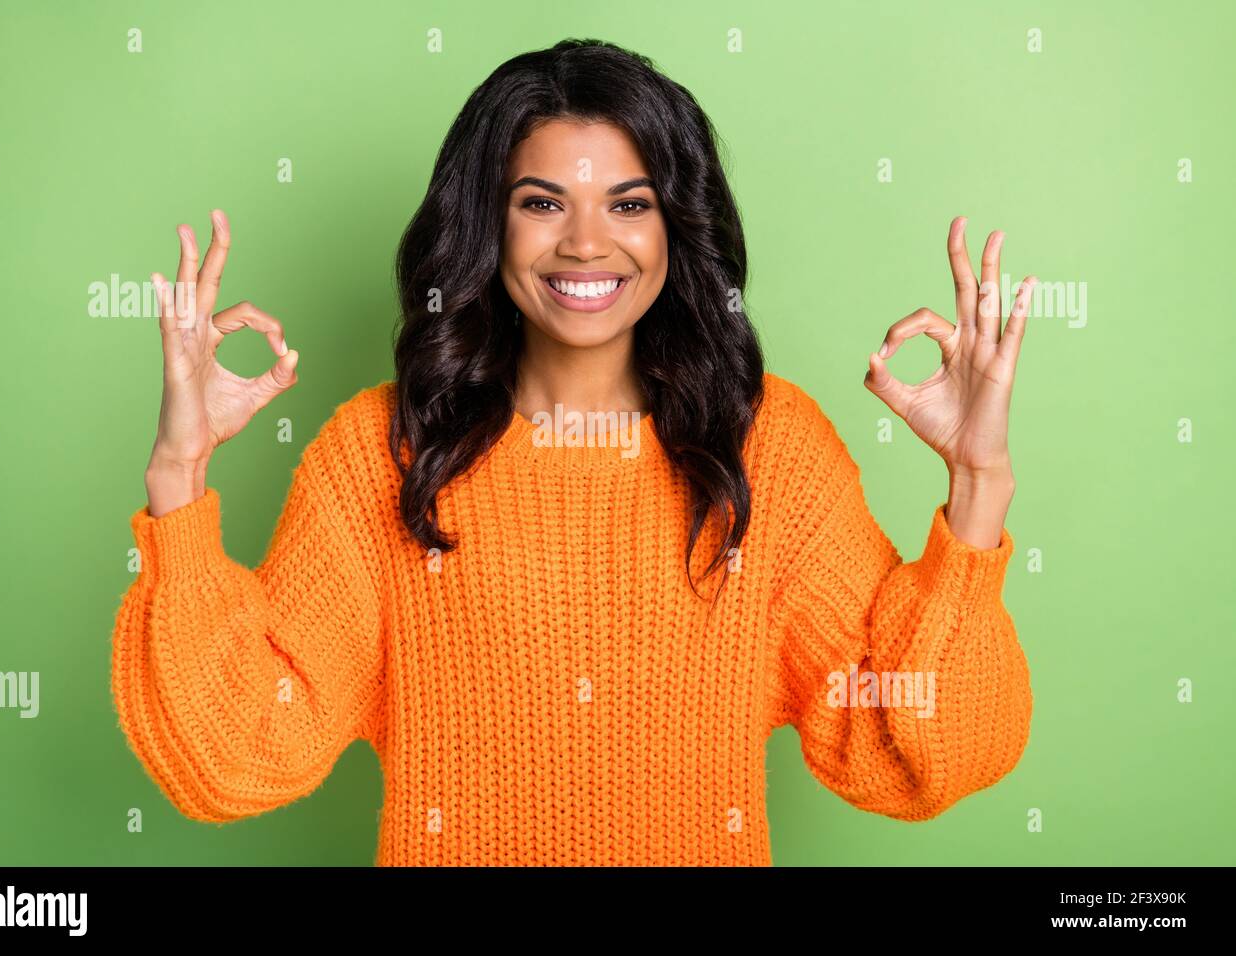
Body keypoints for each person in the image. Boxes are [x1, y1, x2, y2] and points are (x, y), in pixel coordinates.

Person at [111, 39, 1034, 866]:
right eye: (542, 202)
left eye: (628, 203)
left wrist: (976, 484)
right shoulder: (383, 455)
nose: (587, 242)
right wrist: (178, 481)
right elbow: (235, 756)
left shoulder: (769, 453)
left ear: (675, 225)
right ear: (487, 225)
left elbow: (915, 753)